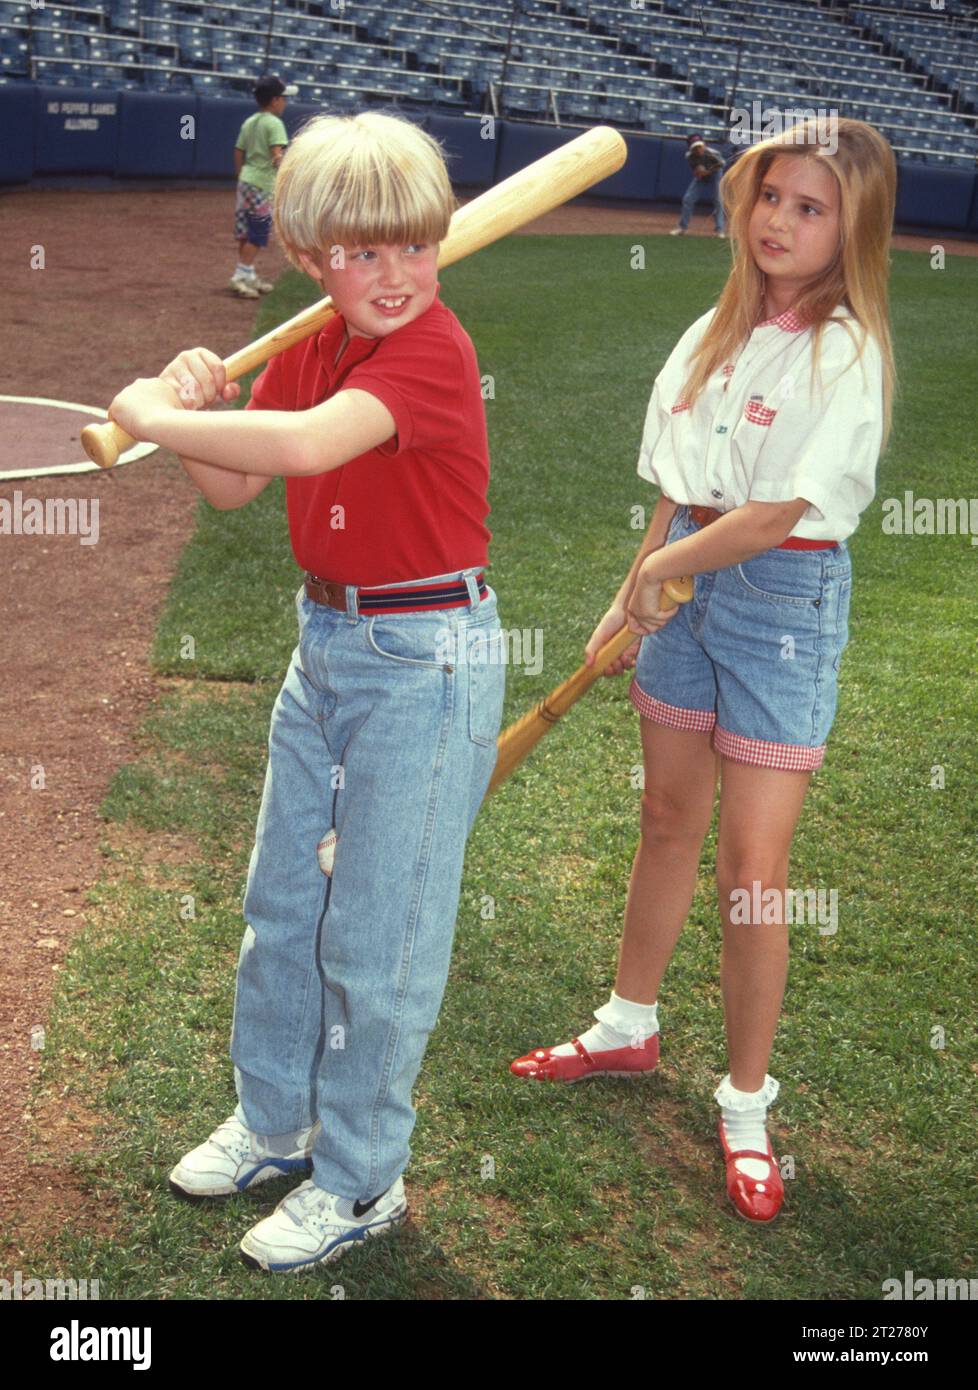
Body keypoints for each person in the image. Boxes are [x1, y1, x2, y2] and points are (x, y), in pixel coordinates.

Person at [108, 111, 507, 1270]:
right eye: (363, 252)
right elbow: (233, 481)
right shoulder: (316, 341)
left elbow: (305, 448)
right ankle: (275, 1120)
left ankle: (363, 1176)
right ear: (308, 256)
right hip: (325, 643)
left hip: (425, 658)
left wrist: (150, 415)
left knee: (380, 938)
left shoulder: (430, 351)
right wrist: (194, 411)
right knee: (285, 902)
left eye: (416, 245)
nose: (397, 275)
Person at [511, 117, 896, 1224]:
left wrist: (663, 573)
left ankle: (745, 1104)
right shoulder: (717, 329)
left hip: (781, 601)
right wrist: (626, 591)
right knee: (667, 817)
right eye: (770, 196)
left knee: (752, 867)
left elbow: (774, 515)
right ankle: (629, 1025)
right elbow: (680, 491)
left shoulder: (846, 350)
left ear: (854, 228)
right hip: (683, 577)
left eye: (811, 208)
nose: (780, 220)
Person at [230, 73, 297, 299]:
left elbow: (238, 151)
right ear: (274, 100)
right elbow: (277, 156)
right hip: (262, 185)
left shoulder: (250, 121)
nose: (285, 102)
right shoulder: (275, 124)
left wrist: (241, 175)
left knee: (246, 232)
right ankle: (240, 275)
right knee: (257, 233)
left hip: (246, 182)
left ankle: (248, 274)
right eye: (283, 98)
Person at [670, 134, 726, 237]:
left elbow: (721, 164)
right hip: (702, 175)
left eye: (700, 146)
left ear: (704, 145)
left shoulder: (713, 153)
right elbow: (696, 170)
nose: (699, 149)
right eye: (696, 147)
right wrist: (700, 172)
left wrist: (708, 171)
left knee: (718, 200)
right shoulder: (690, 156)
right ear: (692, 149)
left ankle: (720, 230)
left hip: (715, 174)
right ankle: (682, 228)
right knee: (688, 199)